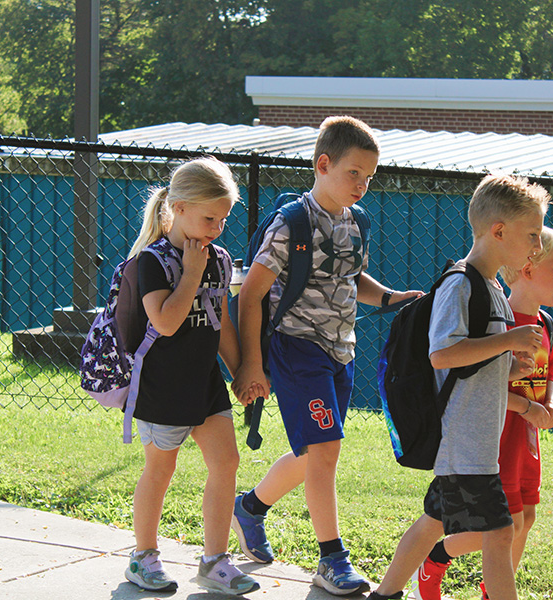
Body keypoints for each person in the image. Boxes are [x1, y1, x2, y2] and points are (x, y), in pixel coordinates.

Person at [230, 116, 420, 596]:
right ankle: (332, 559)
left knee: (315, 449)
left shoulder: (357, 223)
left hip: (341, 351)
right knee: (326, 449)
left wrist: (392, 297)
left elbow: (351, 279)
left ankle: (249, 508)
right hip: (297, 348)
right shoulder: (290, 224)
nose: (362, 184)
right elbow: (251, 294)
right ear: (323, 165)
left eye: (369, 177)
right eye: (354, 173)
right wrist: (251, 362)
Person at [367, 174, 551, 600]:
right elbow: (443, 354)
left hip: (473, 444)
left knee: (434, 522)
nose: (537, 246)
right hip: (463, 442)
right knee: (501, 533)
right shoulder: (461, 283)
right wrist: (507, 341)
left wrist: (510, 368)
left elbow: (474, 364)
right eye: (532, 235)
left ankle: (385, 595)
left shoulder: (493, 289)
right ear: (499, 231)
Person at [124, 157, 260, 595]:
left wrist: (240, 372)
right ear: (178, 208)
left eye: (223, 220)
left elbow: (221, 322)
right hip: (162, 389)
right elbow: (165, 322)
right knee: (160, 470)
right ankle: (143, 556)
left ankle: (214, 561)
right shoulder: (152, 261)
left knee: (226, 462)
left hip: (205, 385)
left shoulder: (219, 260)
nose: (217, 229)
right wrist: (192, 274)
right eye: (209, 219)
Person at [411, 227, 553, 600]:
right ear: (528, 269)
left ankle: (492, 590)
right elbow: (487, 384)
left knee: (525, 518)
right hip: (496, 437)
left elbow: (548, 375)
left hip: (526, 441)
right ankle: (437, 557)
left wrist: (551, 404)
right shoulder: (503, 323)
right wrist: (528, 407)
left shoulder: (545, 324)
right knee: (503, 524)